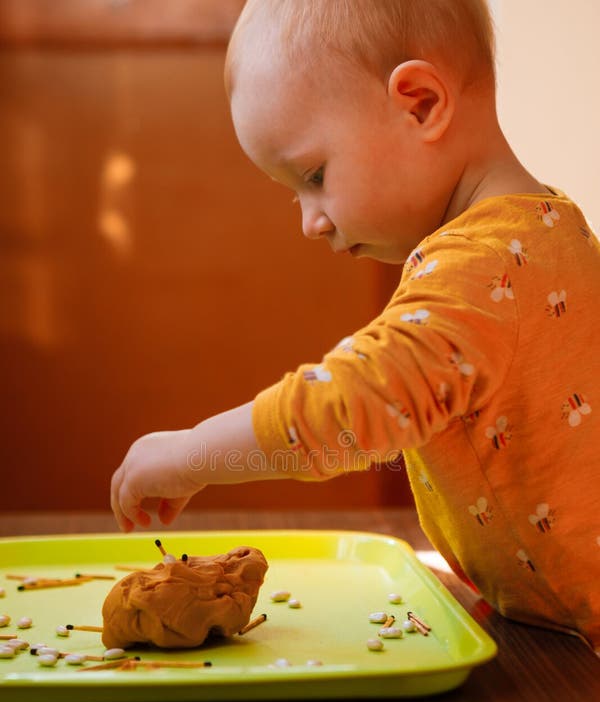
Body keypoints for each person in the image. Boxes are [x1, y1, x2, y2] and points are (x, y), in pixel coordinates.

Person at [110, 0, 600, 650]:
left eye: (314, 176)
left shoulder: (482, 267)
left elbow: (356, 407)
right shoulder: (533, 233)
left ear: (421, 103)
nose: (310, 221)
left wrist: (192, 455)